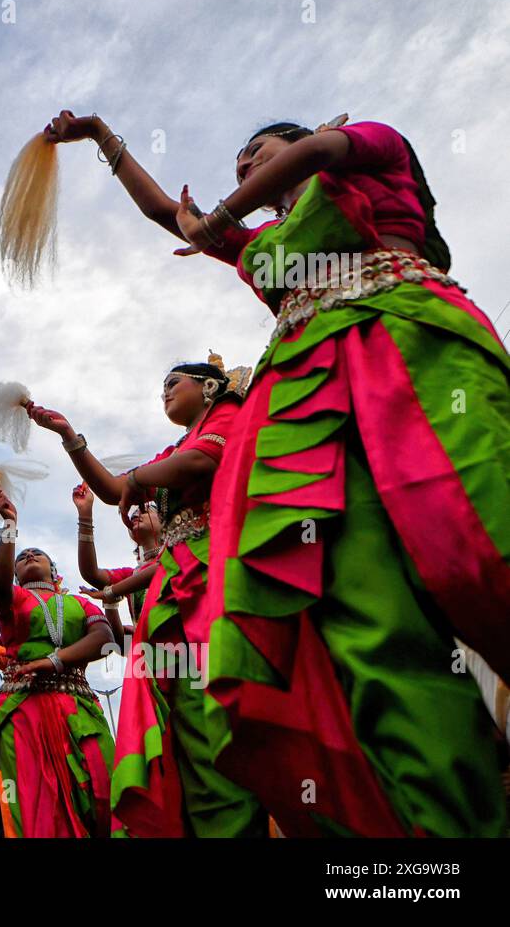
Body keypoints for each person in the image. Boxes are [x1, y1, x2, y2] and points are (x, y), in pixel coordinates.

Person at [46, 109, 510, 836]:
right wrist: (104, 139)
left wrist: (220, 214)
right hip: (306, 407)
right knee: (367, 625)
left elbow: (319, 149)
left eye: (255, 153)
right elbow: (171, 213)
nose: (243, 169)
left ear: (297, 144)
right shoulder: (264, 246)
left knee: (480, 542)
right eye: (236, 165)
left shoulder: (368, 156)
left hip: (413, 348)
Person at [27, 359, 265, 837]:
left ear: (210, 386)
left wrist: (137, 482)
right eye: (161, 387)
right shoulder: (172, 449)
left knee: (220, 710)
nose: (165, 392)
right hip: (175, 592)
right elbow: (117, 487)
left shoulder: (227, 414)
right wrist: (69, 437)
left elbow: (201, 463)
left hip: (214, 572)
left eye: (173, 383)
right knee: (183, 722)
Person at [0, 487, 115, 837]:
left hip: (77, 706)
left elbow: (104, 640)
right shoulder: (11, 598)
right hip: (23, 708)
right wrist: (10, 526)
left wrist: (55, 661)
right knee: (33, 802)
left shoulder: (79, 604)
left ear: (53, 570)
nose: (28, 555)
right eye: (22, 556)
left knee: (101, 787)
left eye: (36, 554)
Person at [72, 483, 163, 651]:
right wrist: (85, 515)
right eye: (133, 514)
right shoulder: (131, 576)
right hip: (151, 666)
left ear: (166, 522)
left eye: (144, 510)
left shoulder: (182, 554)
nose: (136, 514)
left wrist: (111, 591)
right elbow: (90, 573)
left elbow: (161, 567)